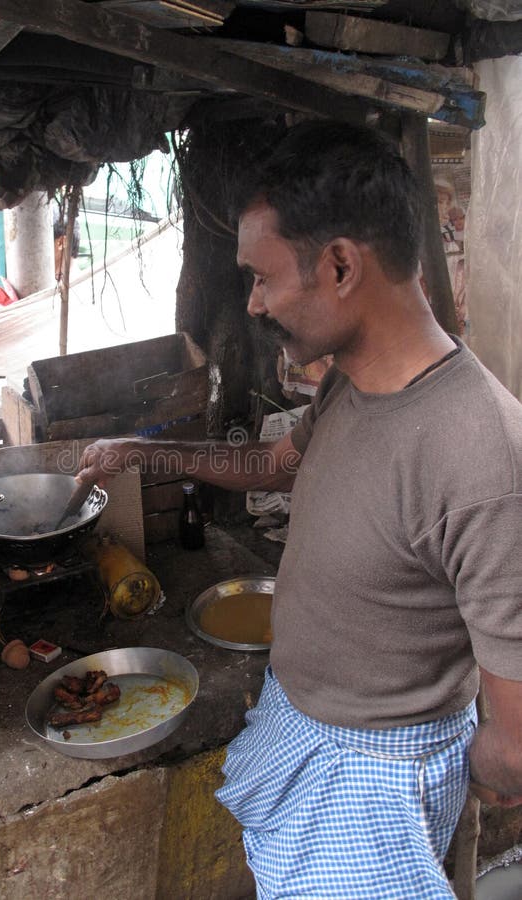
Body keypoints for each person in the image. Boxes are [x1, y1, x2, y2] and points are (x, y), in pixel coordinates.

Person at [75, 120, 522, 898]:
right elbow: (271, 467)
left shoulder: (483, 453)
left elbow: (516, 731)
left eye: (260, 276)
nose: (251, 302)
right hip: (301, 723)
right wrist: (139, 453)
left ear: (340, 264)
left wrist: (475, 772)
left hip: (376, 771)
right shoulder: (352, 380)